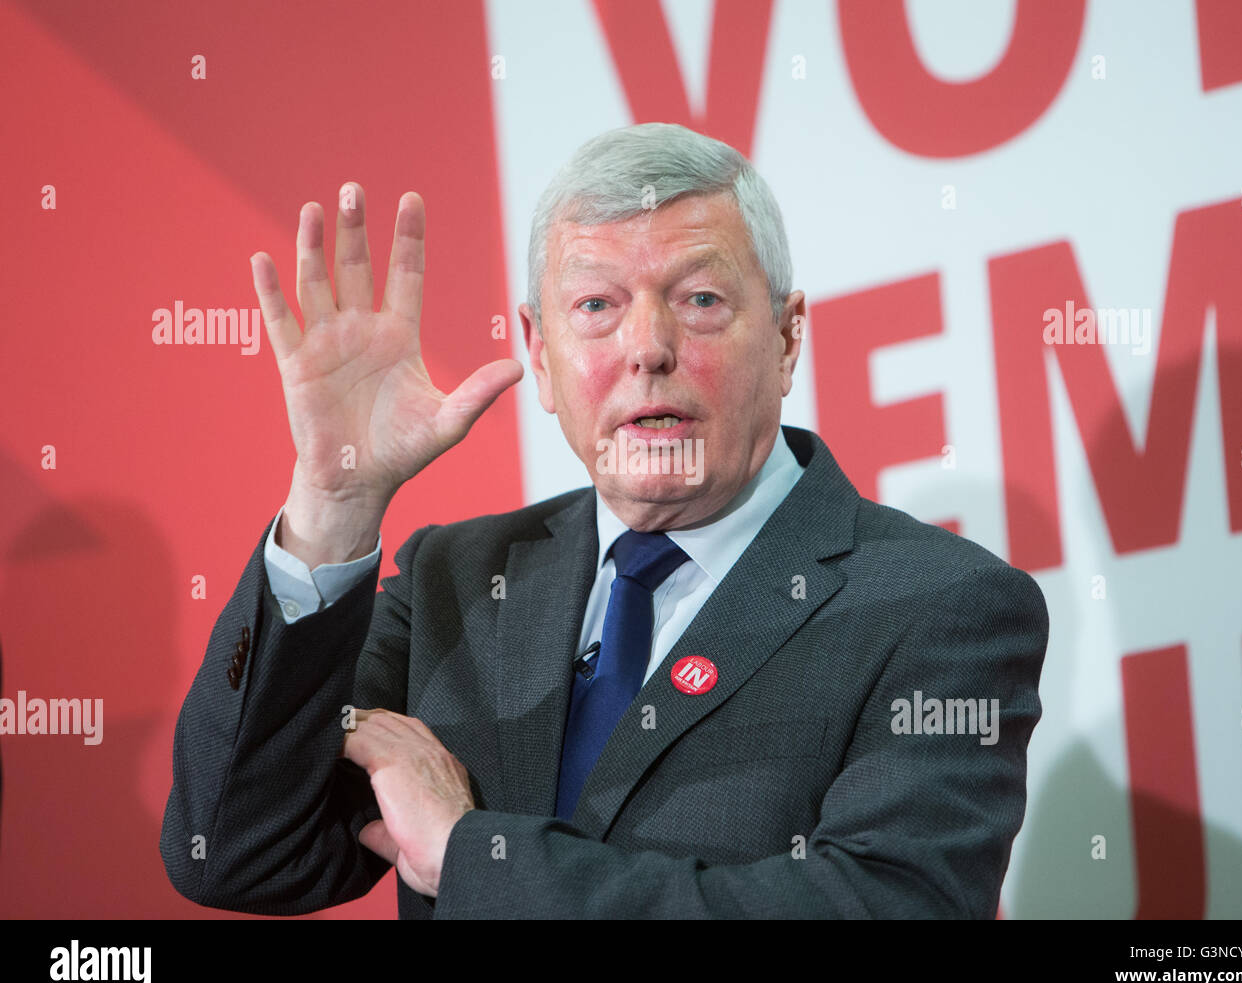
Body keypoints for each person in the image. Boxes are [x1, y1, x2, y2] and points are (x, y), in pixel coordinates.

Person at [160, 122, 1048, 918]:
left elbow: (885, 907)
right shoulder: (457, 583)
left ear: (786, 340)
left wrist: (474, 859)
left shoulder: (939, 607)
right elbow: (236, 854)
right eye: (597, 306)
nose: (648, 347)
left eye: (701, 300)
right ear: (540, 356)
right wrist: (334, 500)